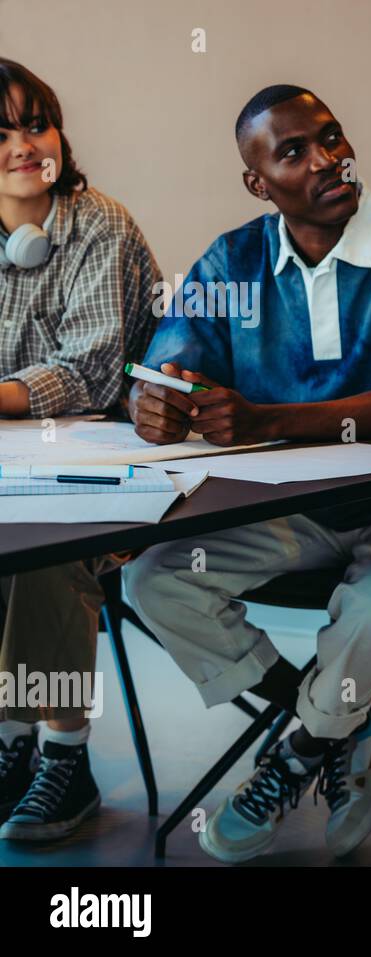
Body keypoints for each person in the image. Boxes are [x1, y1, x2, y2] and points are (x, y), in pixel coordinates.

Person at [121, 84, 371, 863]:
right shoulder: (234, 259)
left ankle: (298, 749)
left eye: (331, 137)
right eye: (295, 152)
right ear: (258, 184)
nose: (330, 159)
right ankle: (347, 723)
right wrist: (148, 399)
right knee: (154, 578)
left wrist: (269, 420)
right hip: (287, 511)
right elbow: (165, 366)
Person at [0, 58, 162, 841]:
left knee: (41, 537)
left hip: (114, 476)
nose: (25, 144)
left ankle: (64, 757)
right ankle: (11, 743)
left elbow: (88, 373)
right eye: (0, 132)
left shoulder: (101, 223)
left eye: (36, 123)